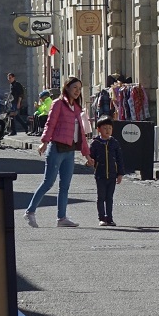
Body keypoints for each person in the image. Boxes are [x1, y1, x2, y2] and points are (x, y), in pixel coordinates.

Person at [26, 76, 92, 228]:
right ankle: (30, 212)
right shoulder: (57, 104)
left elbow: (81, 133)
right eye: (75, 87)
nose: (77, 91)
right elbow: (50, 124)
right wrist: (44, 142)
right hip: (56, 148)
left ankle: (61, 218)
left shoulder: (77, 108)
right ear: (67, 88)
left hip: (69, 151)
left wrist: (87, 154)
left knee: (65, 185)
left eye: (79, 88)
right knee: (48, 182)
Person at [88, 115, 126, 227]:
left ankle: (109, 218)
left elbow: (119, 159)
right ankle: (102, 218)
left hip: (112, 175)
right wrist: (90, 162)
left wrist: (120, 173)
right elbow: (91, 157)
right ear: (98, 129)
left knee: (109, 198)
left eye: (109, 128)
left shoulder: (114, 143)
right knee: (101, 197)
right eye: (105, 128)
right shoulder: (95, 143)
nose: (107, 130)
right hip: (100, 174)